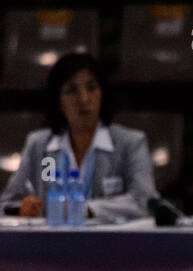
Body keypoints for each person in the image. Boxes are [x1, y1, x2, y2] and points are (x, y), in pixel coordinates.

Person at [1, 52, 157, 221]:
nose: (84, 99)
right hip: (50, 243)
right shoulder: (39, 145)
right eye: (72, 90)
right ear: (58, 100)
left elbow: (145, 200)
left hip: (111, 244)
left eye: (91, 88)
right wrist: (21, 208)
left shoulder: (129, 143)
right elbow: (6, 204)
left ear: (102, 93)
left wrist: (87, 209)